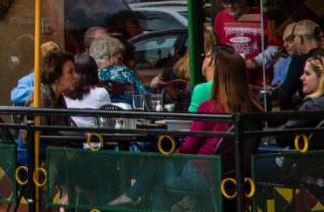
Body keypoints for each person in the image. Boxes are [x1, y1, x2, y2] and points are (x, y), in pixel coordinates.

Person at [111, 45, 262, 207]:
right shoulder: (253, 106)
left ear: (212, 63)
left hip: (206, 172)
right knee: (160, 172)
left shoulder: (210, 107)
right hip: (236, 173)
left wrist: (176, 154)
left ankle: (131, 196)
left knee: (157, 167)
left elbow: (189, 146)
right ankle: (132, 196)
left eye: (206, 55)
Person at [213, 0, 275, 86]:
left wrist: (257, 60)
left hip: (258, 79)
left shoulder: (263, 16)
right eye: (226, 3)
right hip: (230, 78)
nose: (230, 6)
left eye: (234, 2)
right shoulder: (220, 17)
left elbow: (276, 46)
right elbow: (216, 46)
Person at [271, 20, 319, 109]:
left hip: (310, 114)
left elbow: (285, 93)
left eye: (294, 39)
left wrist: (270, 94)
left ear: (300, 39)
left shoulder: (299, 60)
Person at [88, 36, 148, 103]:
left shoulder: (91, 76)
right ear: (109, 56)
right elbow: (143, 93)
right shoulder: (122, 71)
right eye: (119, 59)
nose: (122, 62)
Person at [63, 54, 112, 127]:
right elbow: (109, 123)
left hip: (68, 135)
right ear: (94, 72)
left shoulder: (64, 93)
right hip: (92, 136)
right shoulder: (100, 93)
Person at [9, 41, 62, 106]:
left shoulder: (57, 80)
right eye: (50, 62)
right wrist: (38, 90)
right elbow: (15, 95)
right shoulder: (31, 78)